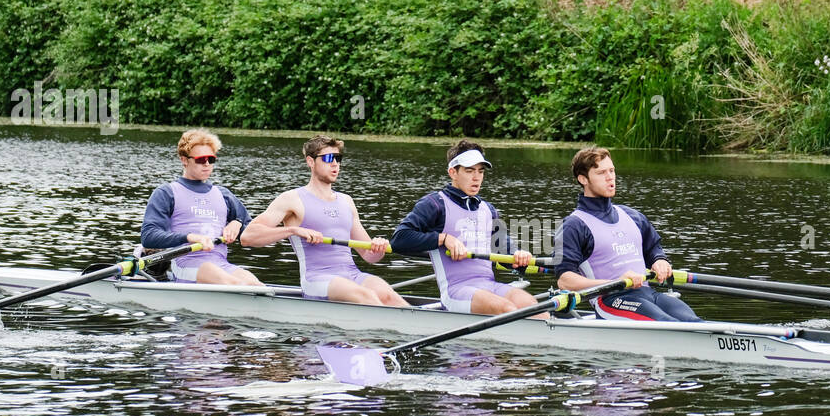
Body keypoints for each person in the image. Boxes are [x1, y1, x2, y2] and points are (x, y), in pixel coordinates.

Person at [247, 136, 407, 306]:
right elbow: (249, 236)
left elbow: (369, 256)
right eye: (328, 158)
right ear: (310, 161)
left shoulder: (347, 201)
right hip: (317, 278)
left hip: (352, 274)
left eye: (338, 158)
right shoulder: (291, 199)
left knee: (389, 296)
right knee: (366, 296)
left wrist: (378, 247)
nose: (335, 164)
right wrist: (293, 231)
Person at [555, 146, 701, 322]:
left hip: (648, 294)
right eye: (601, 173)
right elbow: (565, 281)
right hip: (611, 300)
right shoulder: (573, 225)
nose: (610, 177)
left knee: (694, 323)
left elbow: (654, 250)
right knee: (669, 324)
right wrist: (615, 282)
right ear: (583, 179)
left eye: (612, 170)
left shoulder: (633, 216)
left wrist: (660, 261)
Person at [392, 139, 536, 314]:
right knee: (506, 308)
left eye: (480, 171)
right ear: (453, 172)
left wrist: (518, 257)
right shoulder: (434, 204)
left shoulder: (488, 210)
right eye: (469, 171)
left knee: (530, 304)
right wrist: (443, 239)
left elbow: (503, 252)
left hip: (488, 285)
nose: (476, 178)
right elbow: (399, 239)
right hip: (457, 291)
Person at [141, 129, 268, 285]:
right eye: (201, 160)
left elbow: (252, 231)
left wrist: (238, 222)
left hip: (221, 264)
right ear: (184, 160)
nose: (207, 164)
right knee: (229, 280)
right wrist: (189, 237)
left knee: (257, 285)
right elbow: (149, 236)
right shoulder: (166, 193)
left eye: (211, 159)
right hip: (186, 264)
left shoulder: (224, 195)